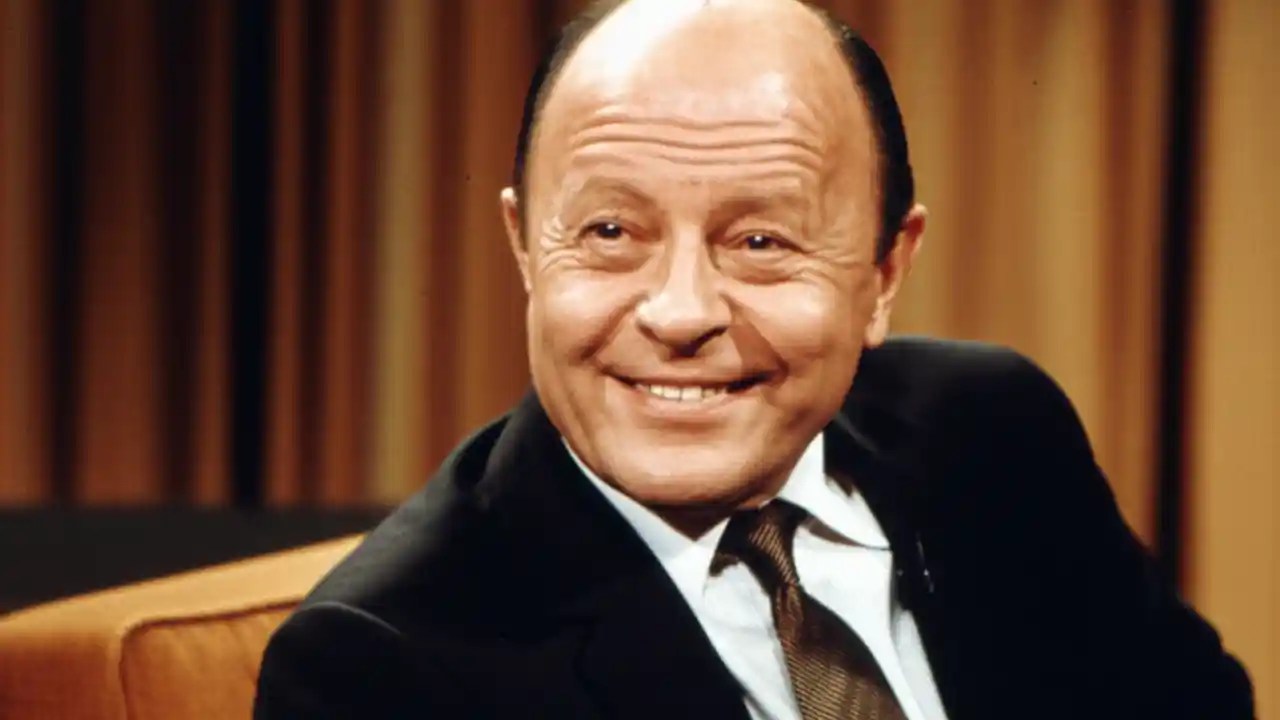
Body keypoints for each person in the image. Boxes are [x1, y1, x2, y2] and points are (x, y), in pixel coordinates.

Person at [254, 1, 1254, 718]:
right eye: (608, 231)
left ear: (883, 269)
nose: (679, 312)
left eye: (760, 242)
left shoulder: (991, 430)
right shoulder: (379, 667)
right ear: (525, 250)